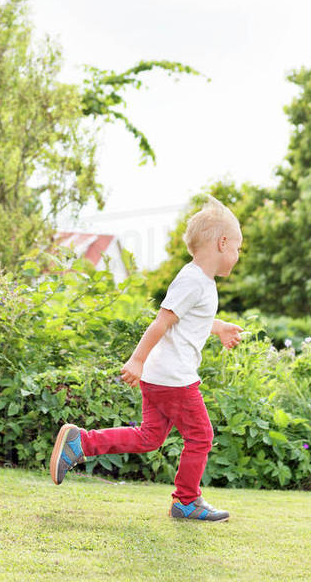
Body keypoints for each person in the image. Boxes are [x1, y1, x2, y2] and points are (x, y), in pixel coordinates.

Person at [49, 195, 244, 521]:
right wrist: (137, 360)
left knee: (149, 438)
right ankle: (186, 501)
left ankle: (80, 444)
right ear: (223, 243)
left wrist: (219, 327)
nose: (238, 256)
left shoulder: (200, 281)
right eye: (238, 248)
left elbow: (189, 320)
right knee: (201, 437)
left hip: (161, 377)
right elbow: (162, 321)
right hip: (174, 378)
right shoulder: (193, 280)